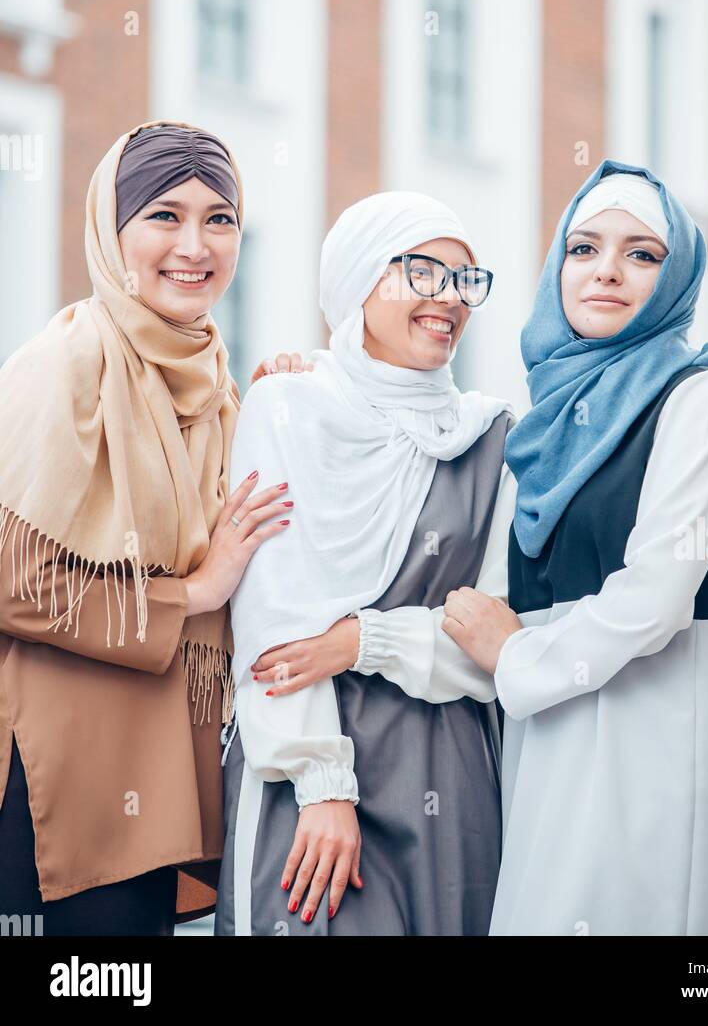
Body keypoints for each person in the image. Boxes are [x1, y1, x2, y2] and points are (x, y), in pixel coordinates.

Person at [443, 160, 708, 936]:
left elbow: (657, 596)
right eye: (583, 248)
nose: (606, 271)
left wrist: (516, 658)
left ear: (676, 281)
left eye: (642, 254)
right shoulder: (537, 427)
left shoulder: (696, 399)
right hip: (552, 747)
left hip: (659, 751)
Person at [0, 121, 290, 934]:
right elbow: (11, 577)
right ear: (111, 231)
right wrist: (192, 592)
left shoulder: (222, 385)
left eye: (220, 218)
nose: (194, 244)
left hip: (164, 777)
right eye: (164, 215)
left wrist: (293, 404)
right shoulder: (69, 360)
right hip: (68, 781)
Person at [215, 191, 516, 936]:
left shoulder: (496, 437)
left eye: (465, 280)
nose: (449, 298)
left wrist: (361, 640)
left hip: (449, 771)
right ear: (358, 280)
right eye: (421, 272)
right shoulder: (287, 405)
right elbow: (273, 627)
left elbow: (498, 643)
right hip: (305, 767)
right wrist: (322, 785)